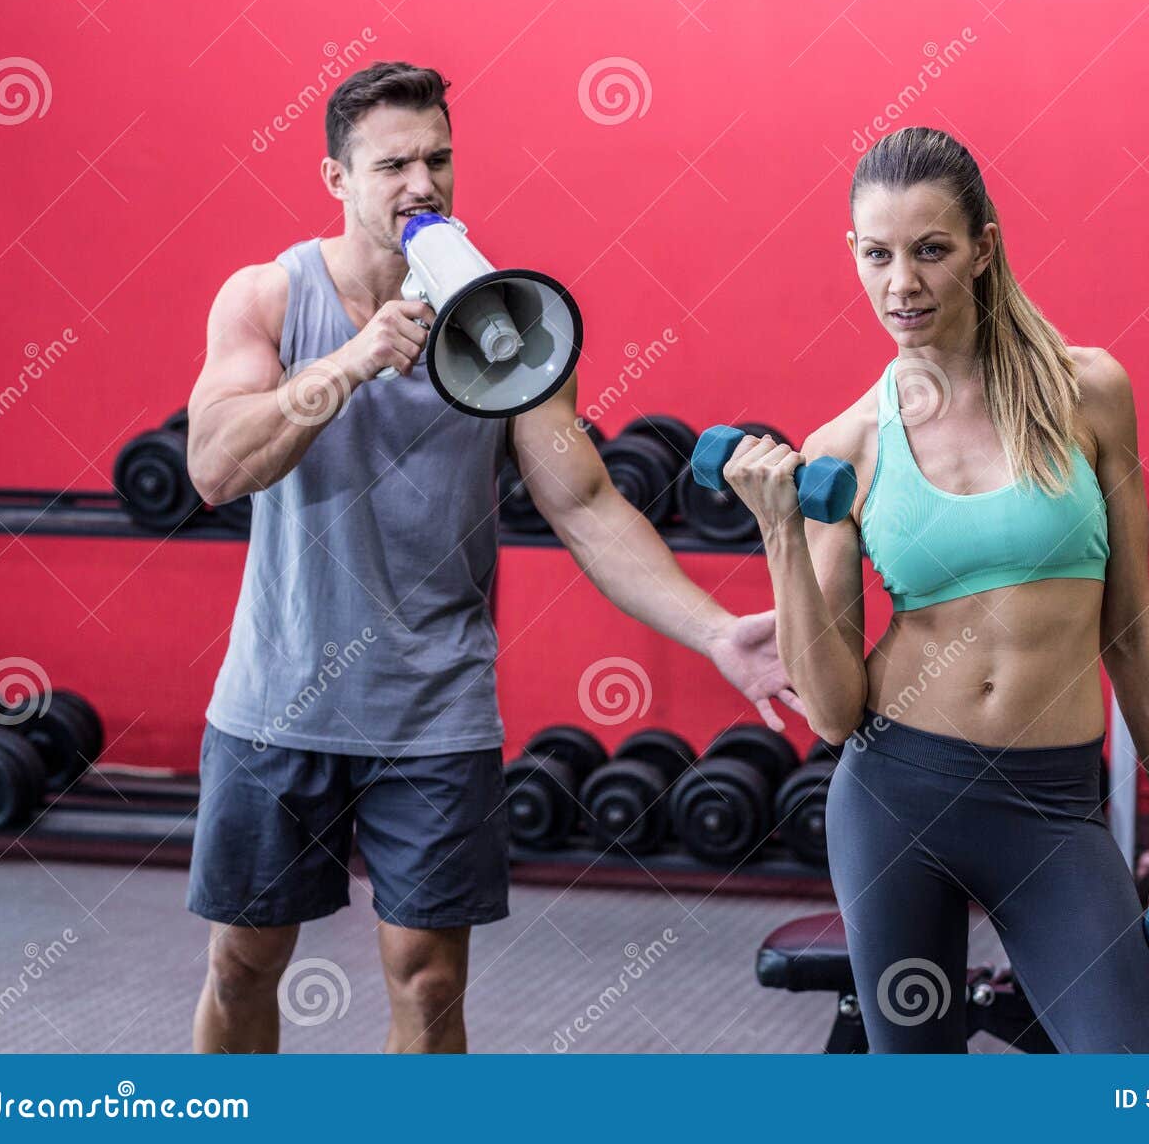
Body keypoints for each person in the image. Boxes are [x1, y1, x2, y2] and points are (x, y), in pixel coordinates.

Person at [182, 61, 801, 1054]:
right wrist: (349, 361)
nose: (422, 183)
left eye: (438, 159)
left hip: (434, 706)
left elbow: (587, 504)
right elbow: (214, 466)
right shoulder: (265, 297)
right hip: (278, 697)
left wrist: (715, 628)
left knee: (428, 984)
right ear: (336, 178)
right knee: (242, 964)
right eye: (392, 164)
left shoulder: (504, 324)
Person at [722, 126, 1149, 1053]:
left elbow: (1132, 627)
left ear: (984, 247)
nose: (901, 283)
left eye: (931, 250)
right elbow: (832, 713)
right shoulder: (848, 445)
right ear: (853, 255)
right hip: (897, 794)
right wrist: (782, 533)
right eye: (878, 255)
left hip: (1050, 803)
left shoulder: (1089, 392)